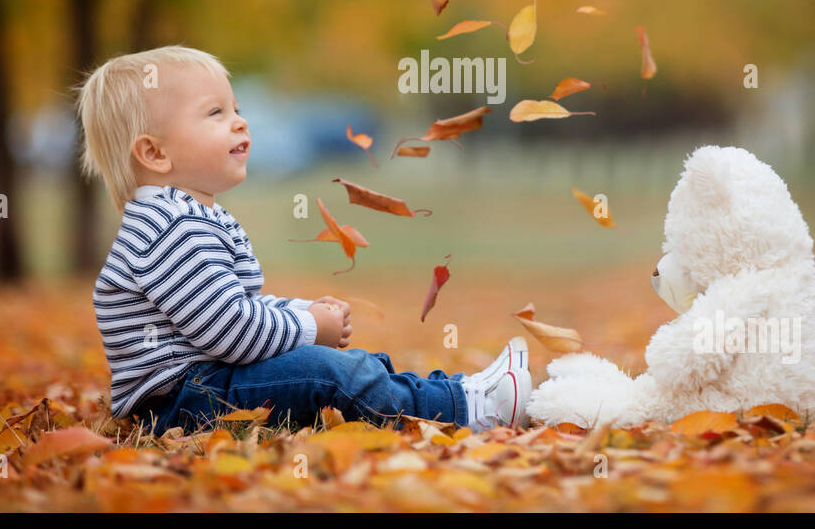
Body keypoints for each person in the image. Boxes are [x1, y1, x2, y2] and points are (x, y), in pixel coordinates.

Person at [72, 44, 531, 434]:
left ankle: (454, 394)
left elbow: (233, 309)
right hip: (180, 403)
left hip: (207, 382)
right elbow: (231, 331)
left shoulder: (189, 215)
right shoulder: (168, 226)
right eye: (216, 113)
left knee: (339, 366)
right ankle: (469, 409)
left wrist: (300, 312)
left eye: (237, 109)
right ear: (154, 152)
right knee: (325, 372)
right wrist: (311, 326)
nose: (240, 123)